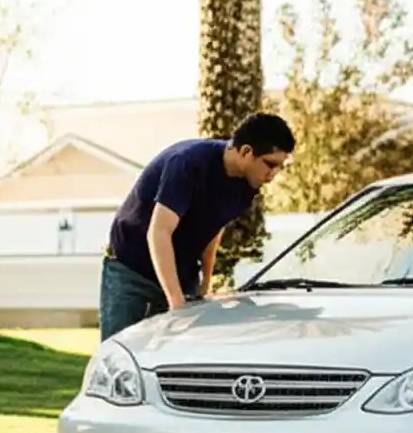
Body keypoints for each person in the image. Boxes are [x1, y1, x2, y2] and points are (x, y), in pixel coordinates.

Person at [98, 112, 296, 340]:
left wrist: (205, 283)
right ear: (246, 152)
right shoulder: (187, 163)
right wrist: (176, 303)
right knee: (122, 357)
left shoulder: (247, 184)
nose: (273, 174)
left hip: (183, 276)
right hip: (132, 271)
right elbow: (159, 231)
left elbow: (213, 227)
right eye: (270, 164)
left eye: (279, 167)